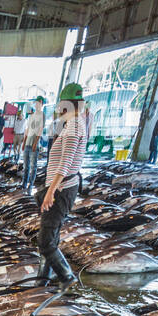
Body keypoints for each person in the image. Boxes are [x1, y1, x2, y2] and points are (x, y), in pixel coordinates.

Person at [37, 82, 90, 287]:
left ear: (66, 104)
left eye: (60, 104)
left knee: (46, 240)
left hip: (61, 189)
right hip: (63, 187)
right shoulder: (74, 124)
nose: (58, 108)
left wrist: (50, 192)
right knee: (51, 235)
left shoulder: (75, 125)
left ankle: (67, 278)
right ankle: (43, 279)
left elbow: (65, 163)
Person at [22, 97, 45, 192]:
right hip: (27, 143)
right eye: (35, 103)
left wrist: (35, 143)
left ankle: (30, 184)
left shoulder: (42, 115)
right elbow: (27, 130)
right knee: (25, 166)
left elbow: (40, 129)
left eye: (38, 103)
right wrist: (24, 142)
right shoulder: (31, 116)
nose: (36, 104)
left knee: (33, 166)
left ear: (41, 103)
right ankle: (24, 183)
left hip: (33, 144)